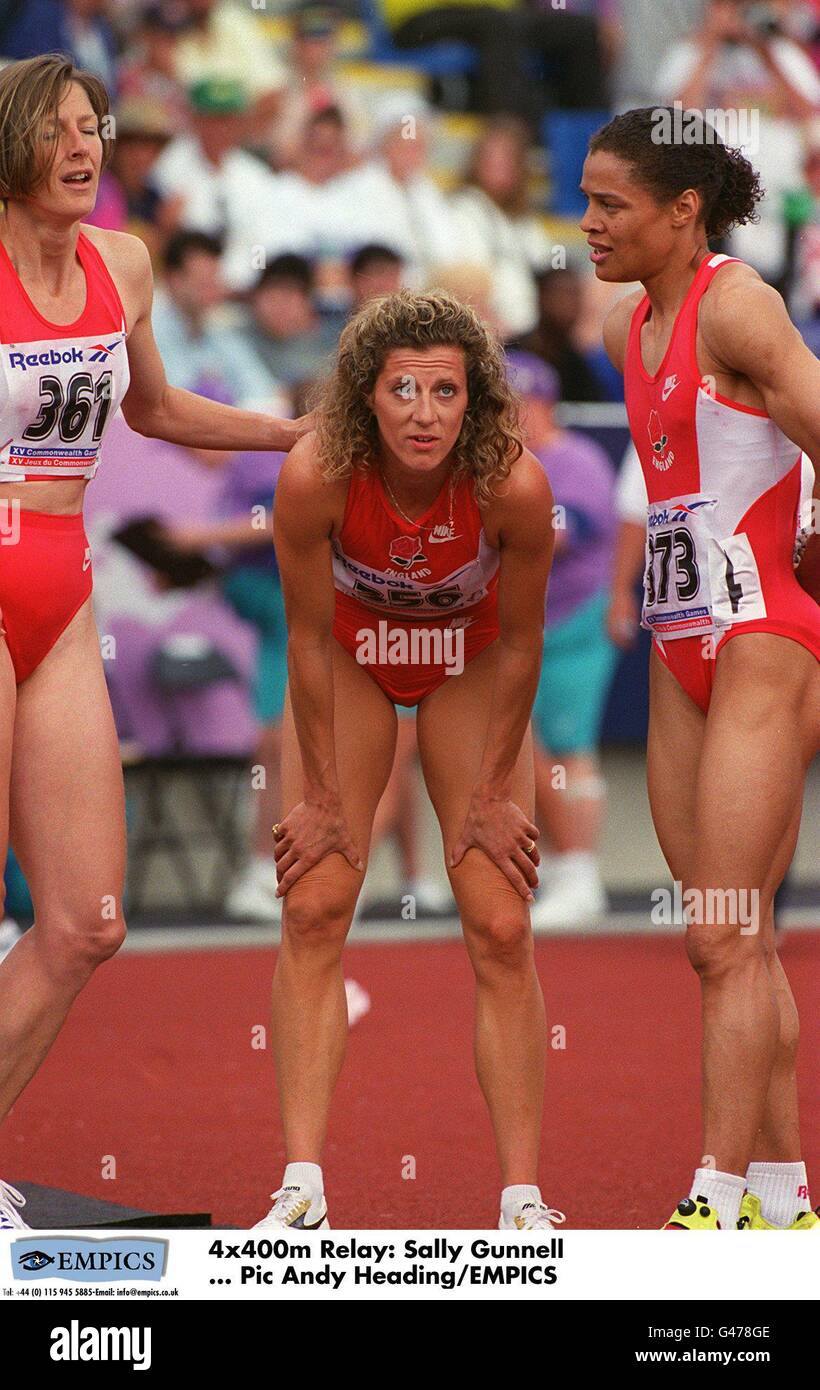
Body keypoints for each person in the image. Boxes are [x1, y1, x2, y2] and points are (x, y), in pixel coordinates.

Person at [0, 54, 305, 1232]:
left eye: (97, 126)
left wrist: (290, 433)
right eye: (59, 130)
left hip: (63, 588)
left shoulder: (121, 261)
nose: (86, 146)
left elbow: (157, 410)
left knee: (86, 922)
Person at [255, 290, 561, 1231]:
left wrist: (495, 791)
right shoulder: (315, 475)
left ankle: (520, 1197)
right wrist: (322, 793)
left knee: (501, 921)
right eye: (403, 391)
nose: (425, 413)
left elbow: (519, 643)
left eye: (446, 392)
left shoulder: (515, 485)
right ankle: (301, 1187)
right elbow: (306, 639)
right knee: (313, 904)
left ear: (474, 402)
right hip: (352, 656)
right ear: (366, 396)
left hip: (466, 662)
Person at [583, 106, 820, 1231]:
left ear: (682, 211)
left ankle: (711, 1197)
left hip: (761, 636)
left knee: (726, 928)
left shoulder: (737, 303)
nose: (585, 224)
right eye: (584, 200)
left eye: (607, 204)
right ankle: (783, 1196)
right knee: (725, 935)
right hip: (681, 633)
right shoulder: (636, 321)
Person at [505, 350, 618, 930]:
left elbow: (558, 537)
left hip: (573, 622)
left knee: (567, 749)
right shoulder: (505, 465)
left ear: (540, 403)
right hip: (523, 628)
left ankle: (581, 871)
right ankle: (556, 866)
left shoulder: (571, 459)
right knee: (532, 752)